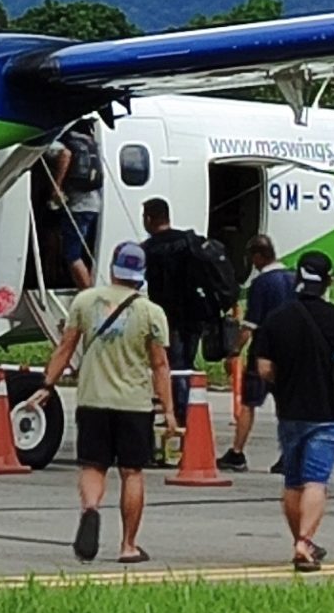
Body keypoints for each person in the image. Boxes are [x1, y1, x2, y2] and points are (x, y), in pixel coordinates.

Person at [29, 241, 177, 564]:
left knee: (93, 466)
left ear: (112, 269)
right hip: (134, 405)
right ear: (140, 275)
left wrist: (47, 385)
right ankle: (128, 545)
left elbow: (65, 347)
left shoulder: (85, 302)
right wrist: (168, 410)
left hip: (92, 400)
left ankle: (91, 509)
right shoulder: (152, 312)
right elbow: (160, 366)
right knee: (132, 472)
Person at [250, 251, 334, 572]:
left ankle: (301, 541)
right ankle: (304, 541)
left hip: (289, 411)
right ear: (327, 280)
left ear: (297, 279)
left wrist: (284, 381)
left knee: (293, 481)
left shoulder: (277, 318)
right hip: (326, 411)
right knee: (316, 480)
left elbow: (263, 368)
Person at [140, 198, 230, 456]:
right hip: (196, 315)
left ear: (149, 219)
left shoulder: (150, 249)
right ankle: (186, 409)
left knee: (172, 367)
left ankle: (179, 414)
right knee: (186, 365)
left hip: (168, 318)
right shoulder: (191, 242)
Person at [224, 235, 296, 473]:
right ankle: (289, 455)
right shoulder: (294, 278)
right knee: (286, 406)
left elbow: (250, 325)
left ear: (257, 257)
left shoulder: (262, 284)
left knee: (249, 403)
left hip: (264, 351)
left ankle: (237, 452)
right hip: (290, 352)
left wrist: (234, 350)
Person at [46, 125, 102, 289]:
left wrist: (56, 186)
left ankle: (88, 294)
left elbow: (65, 154)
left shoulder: (61, 142)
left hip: (78, 207)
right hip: (93, 205)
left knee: (72, 255)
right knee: (80, 251)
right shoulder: (88, 142)